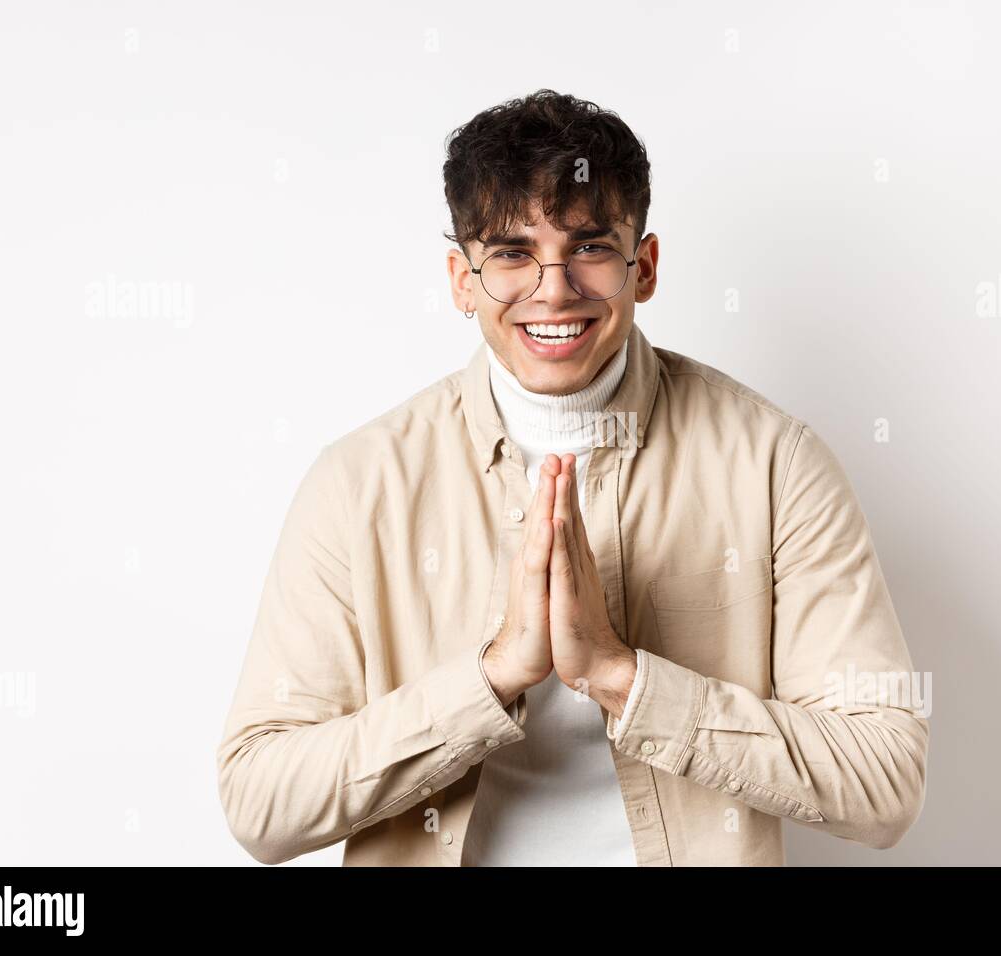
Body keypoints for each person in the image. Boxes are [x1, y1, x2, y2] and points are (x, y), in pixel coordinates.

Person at [216, 89, 928, 866]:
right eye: (512, 254)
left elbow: (884, 780)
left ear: (643, 266)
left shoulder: (774, 462)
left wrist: (623, 678)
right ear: (462, 279)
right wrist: (490, 681)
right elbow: (260, 802)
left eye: (589, 248)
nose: (553, 290)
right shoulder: (359, 482)